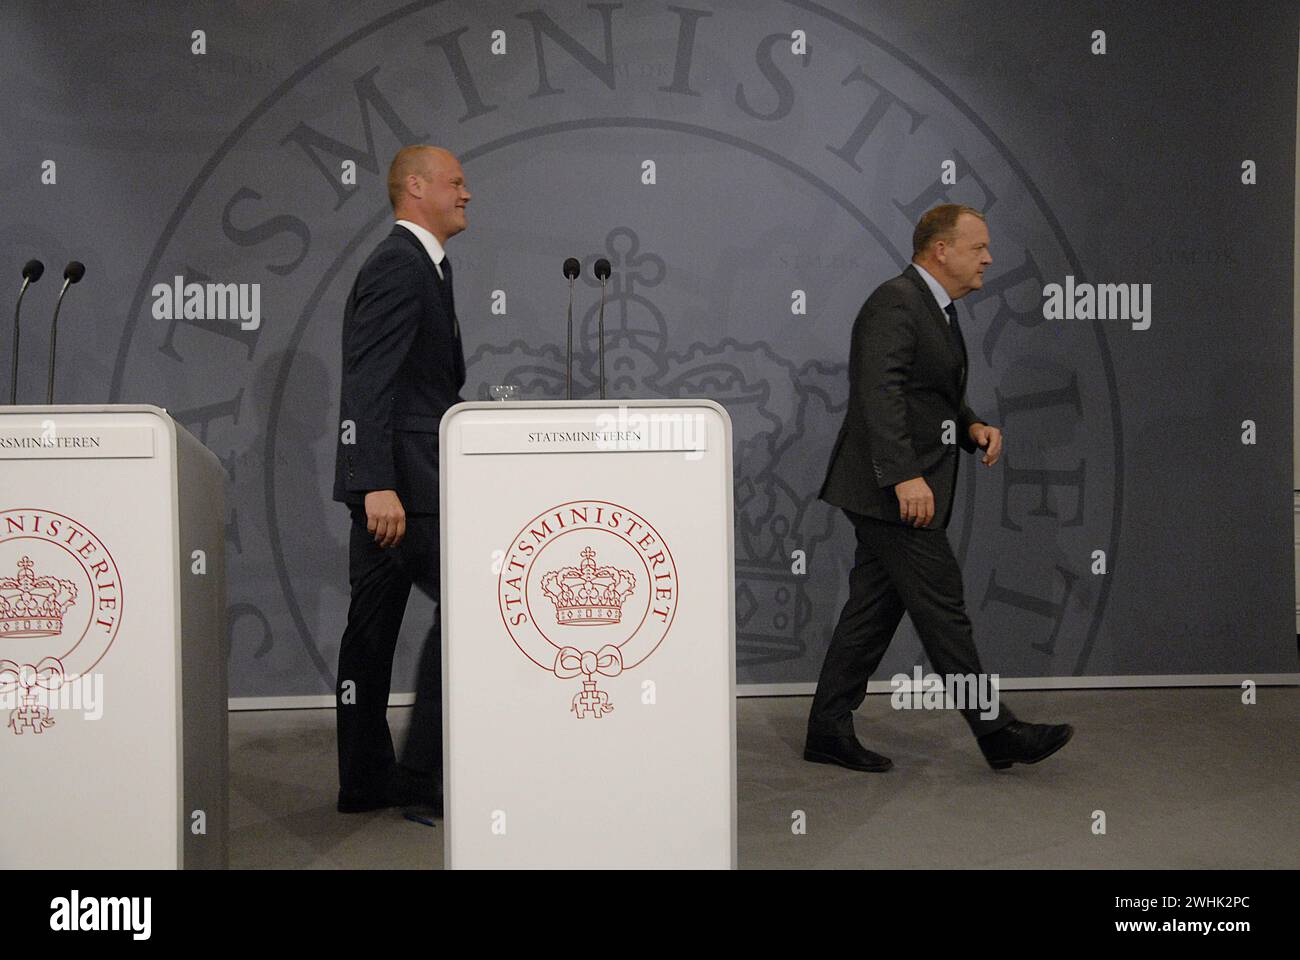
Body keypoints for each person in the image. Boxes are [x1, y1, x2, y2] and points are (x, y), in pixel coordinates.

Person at [806, 204, 1073, 772]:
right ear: (940, 250)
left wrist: (971, 424)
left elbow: (926, 391)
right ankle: (997, 732)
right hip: (889, 490)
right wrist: (905, 476)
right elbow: (878, 393)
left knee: (870, 613)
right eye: (978, 248)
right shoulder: (895, 302)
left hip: (892, 486)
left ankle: (827, 730)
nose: (989, 258)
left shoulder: (935, 308)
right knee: (943, 608)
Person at [332, 145, 471, 816]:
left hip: (395, 485)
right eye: (456, 182)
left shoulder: (427, 268)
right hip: (406, 491)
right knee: (469, 609)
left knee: (371, 634)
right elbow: (368, 379)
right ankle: (421, 781)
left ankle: (363, 782)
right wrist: (376, 484)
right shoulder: (399, 263)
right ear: (417, 188)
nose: (467, 193)